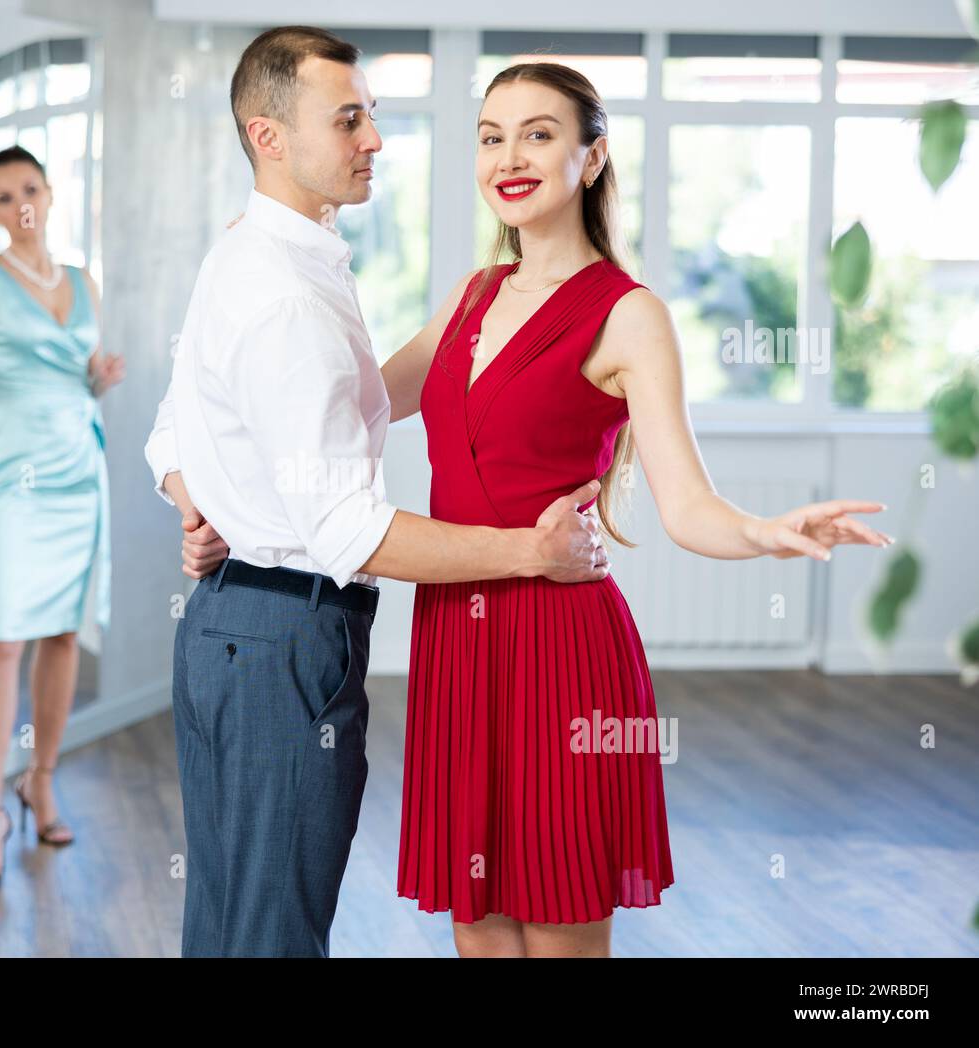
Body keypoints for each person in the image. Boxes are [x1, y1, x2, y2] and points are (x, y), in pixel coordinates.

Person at [381, 60, 892, 957]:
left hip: (558, 653)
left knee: (556, 914)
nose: (511, 155)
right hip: (455, 640)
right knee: (480, 924)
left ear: (590, 157)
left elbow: (688, 505)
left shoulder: (629, 315)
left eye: (539, 133)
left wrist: (768, 532)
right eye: (492, 135)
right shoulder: (470, 298)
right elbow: (349, 403)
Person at [143, 26, 606, 958]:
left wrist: (207, 505)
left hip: (234, 630)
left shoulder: (269, 254)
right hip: (283, 645)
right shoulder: (286, 297)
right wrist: (532, 550)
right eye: (348, 119)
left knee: (231, 926)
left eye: (375, 117)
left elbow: (175, 426)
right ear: (268, 137)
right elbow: (349, 530)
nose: (375, 141)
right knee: (273, 933)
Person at [0, 145, 124, 891]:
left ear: (49, 192)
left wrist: (99, 379)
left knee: (65, 634)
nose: (19, 205)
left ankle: (41, 780)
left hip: (80, 474)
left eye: (28, 189)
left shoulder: (83, 280)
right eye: (2, 197)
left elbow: (85, 381)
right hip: (12, 482)